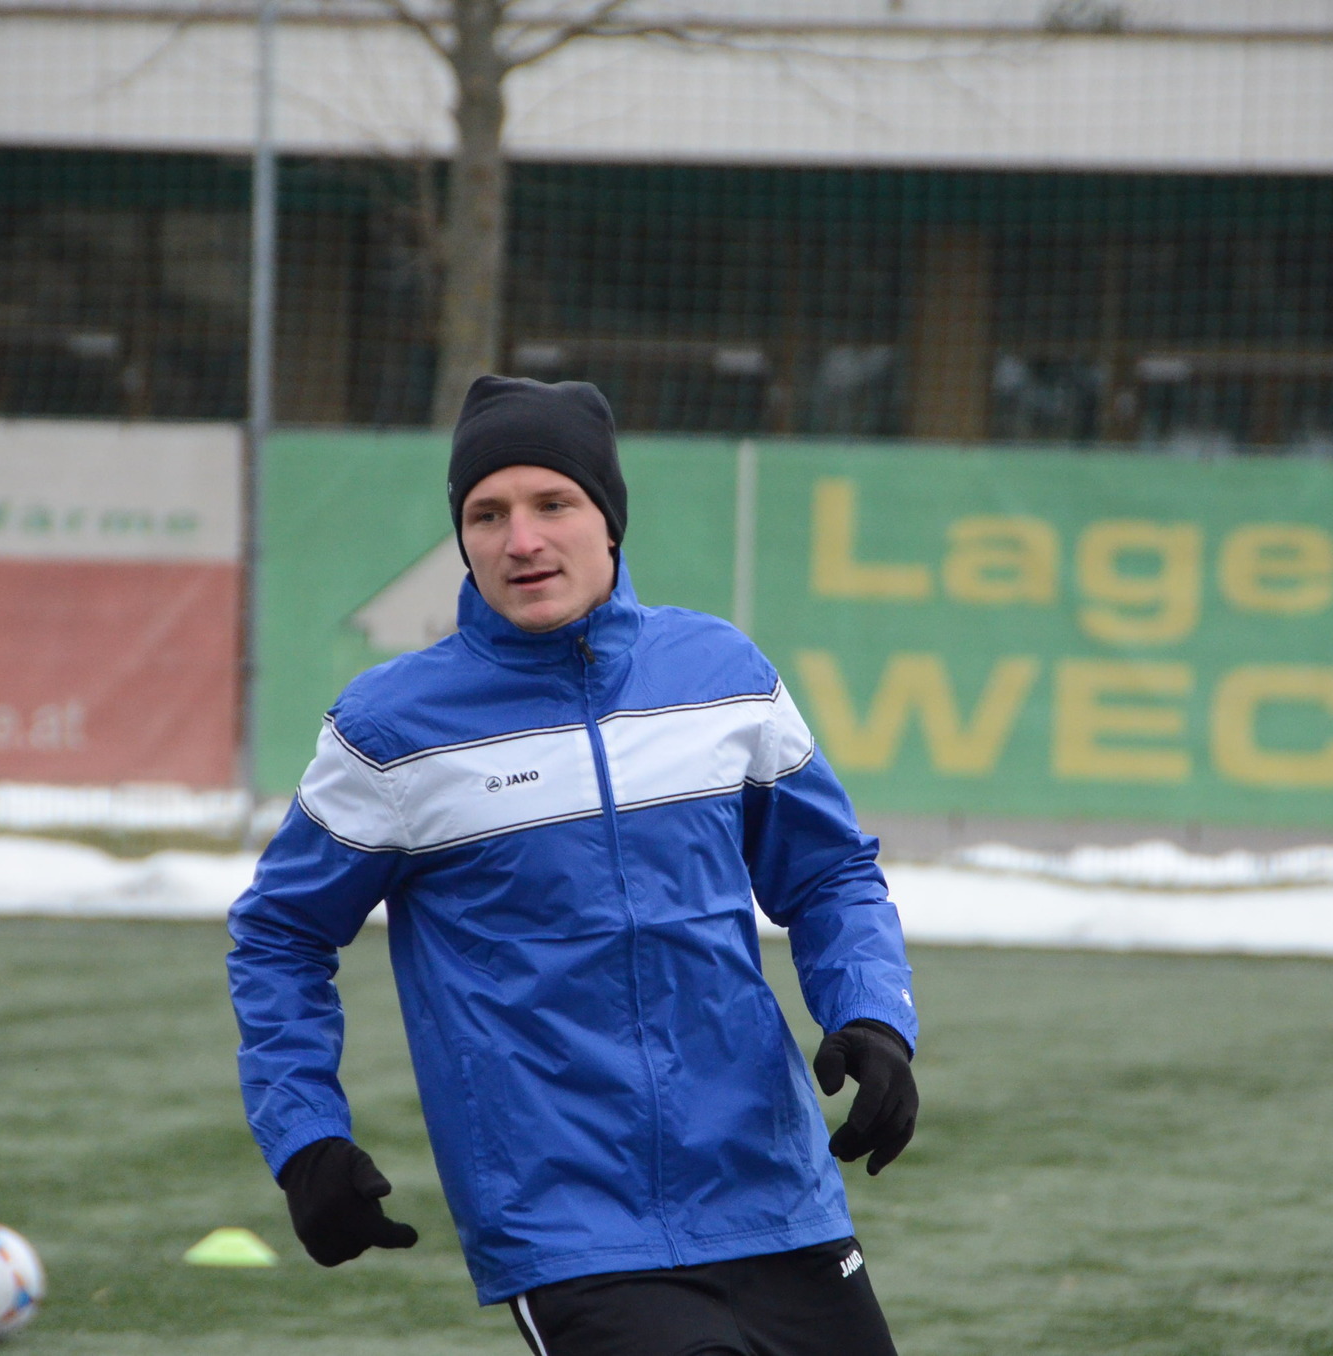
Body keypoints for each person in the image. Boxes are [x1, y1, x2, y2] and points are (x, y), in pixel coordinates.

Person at [228, 377, 920, 1356]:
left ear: (608, 519)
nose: (520, 541)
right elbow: (280, 934)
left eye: (552, 503)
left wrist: (872, 1018)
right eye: (486, 513)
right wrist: (304, 1137)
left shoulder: (722, 676)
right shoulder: (390, 732)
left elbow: (829, 876)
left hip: (774, 1193)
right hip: (565, 1229)